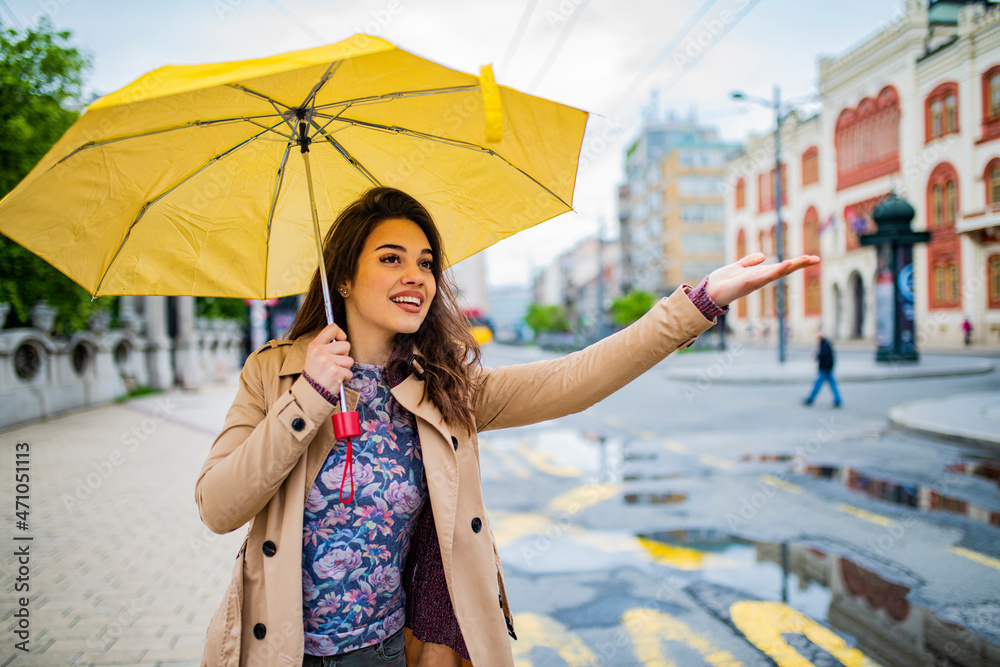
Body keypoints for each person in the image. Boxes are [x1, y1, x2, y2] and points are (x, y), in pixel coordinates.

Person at [195, 187, 819, 667]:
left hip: (384, 649)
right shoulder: (274, 374)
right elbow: (219, 506)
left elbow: (578, 378)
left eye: (426, 262)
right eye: (391, 259)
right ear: (345, 278)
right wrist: (310, 395)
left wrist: (698, 303)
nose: (415, 275)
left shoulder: (444, 387)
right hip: (276, 647)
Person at [803, 330, 842, 408]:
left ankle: (810, 399)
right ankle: (838, 400)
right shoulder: (825, 344)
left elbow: (823, 356)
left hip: (825, 369)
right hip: (827, 368)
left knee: (817, 385)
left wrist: (816, 356)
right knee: (832, 385)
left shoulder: (825, 345)